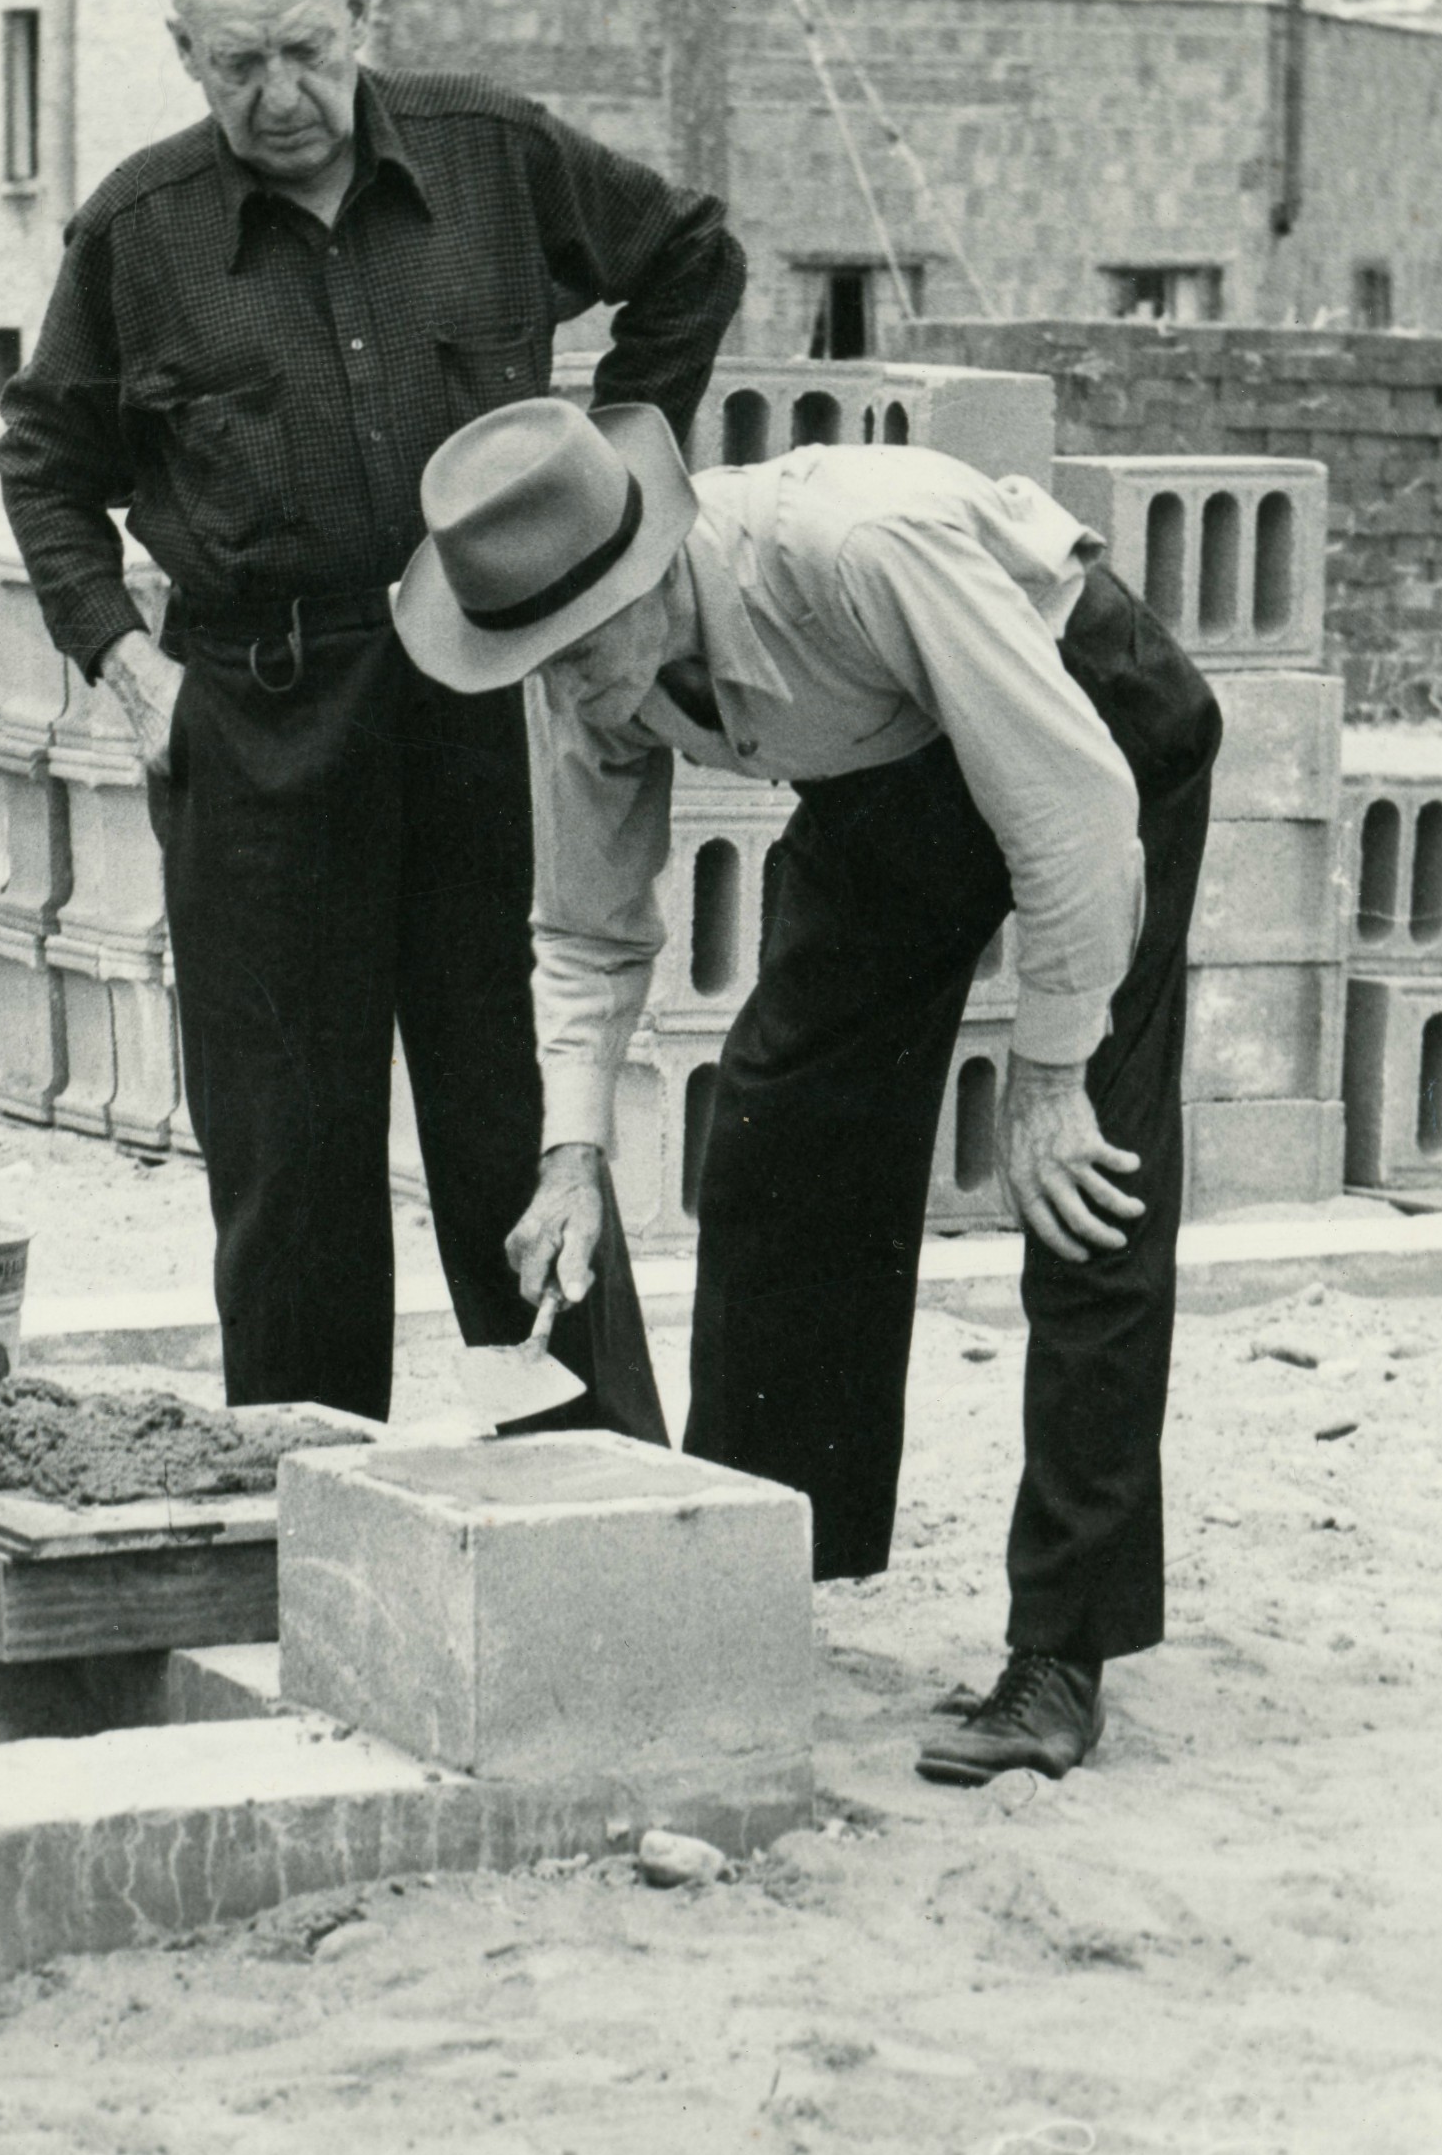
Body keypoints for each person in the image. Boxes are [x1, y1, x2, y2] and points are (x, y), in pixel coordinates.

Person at [0, 0, 744, 1429]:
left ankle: (592, 1486)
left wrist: (606, 477)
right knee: (289, 1166)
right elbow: (45, 465)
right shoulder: (138, 231)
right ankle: (306, 1520)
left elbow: (689, 255)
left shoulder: (492, 157)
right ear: (186, 58)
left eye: (306, 51)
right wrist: (131, 676)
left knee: (515, 1121)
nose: (278, 95)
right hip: (258, 732)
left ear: (365, 9)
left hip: (483, 705)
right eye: (235, 64)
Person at [395, 393, 1221, 1787]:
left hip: (1086, 729)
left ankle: (1060, 1653)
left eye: (584, 649)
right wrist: (568, 1155)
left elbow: (1069, 812)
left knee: (1088, 1181)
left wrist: (1048, 1074)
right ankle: (766, 1567)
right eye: (529, 662)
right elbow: (588, 930)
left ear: (652, 568)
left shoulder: (853, 552)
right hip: (887, 761)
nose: (577, 692)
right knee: (776, 1133)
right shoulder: (584, 669)